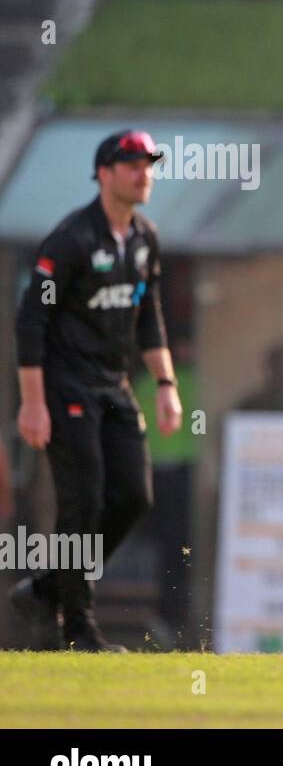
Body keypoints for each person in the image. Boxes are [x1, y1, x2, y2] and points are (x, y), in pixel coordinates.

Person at [10, 130, 183, 652]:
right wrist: (34, 402)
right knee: (82, 500)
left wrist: (167, 385)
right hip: (65, 388)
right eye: (132, 164)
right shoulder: (72, 239)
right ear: (104, 174)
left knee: (133, 495)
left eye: (149, 165)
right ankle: (78, 628)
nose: (143, 173)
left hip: (114, 384)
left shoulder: (145, 238)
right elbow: (30, 321)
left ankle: (45, 587)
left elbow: (147, 316)